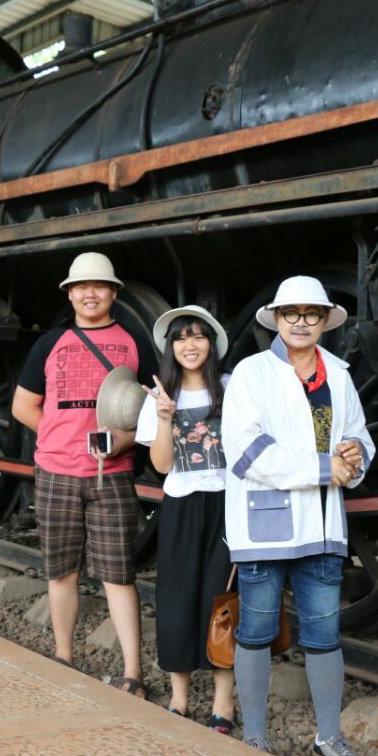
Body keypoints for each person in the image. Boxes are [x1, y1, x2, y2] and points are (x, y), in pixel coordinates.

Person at [221, 275, 375, 756]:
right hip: (265, 528)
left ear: (325, 320)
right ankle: (254, 737)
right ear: (277, 319)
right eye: (292, 314)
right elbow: (246, 451)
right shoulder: (251, 373)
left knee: (325, 633)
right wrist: (322, 468)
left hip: (324, 527)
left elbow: (359, 436)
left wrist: (356, 454)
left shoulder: (339, 375)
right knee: (257, 630)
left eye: (312, 314)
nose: (302, 322)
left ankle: (329, 737)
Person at [12, 252, 158, 697]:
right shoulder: (50, 343)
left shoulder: (134, 342)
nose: (90, 293)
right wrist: (60, 438)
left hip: (112, 474)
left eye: (99, 286)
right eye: (81, 287)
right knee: (61, 572)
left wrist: (125, 441)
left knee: (119, 574)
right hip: (56, 472)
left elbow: (153, 410)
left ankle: (133, 673)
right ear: (70, 294)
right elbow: (23, 406)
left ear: (113, 292)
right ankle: (64, 656)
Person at [135, 305, 236, 732]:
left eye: (198, 336)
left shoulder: (231, 387)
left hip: (227, 504)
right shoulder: (159, 396)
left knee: (222, 600)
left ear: (211, 343)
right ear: (170, 348)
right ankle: (179, 697)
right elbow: (161, 466)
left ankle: (223, 702)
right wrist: (164, 418)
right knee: (177, 598)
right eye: (180, 338)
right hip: (181, 504)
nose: (189, 345)